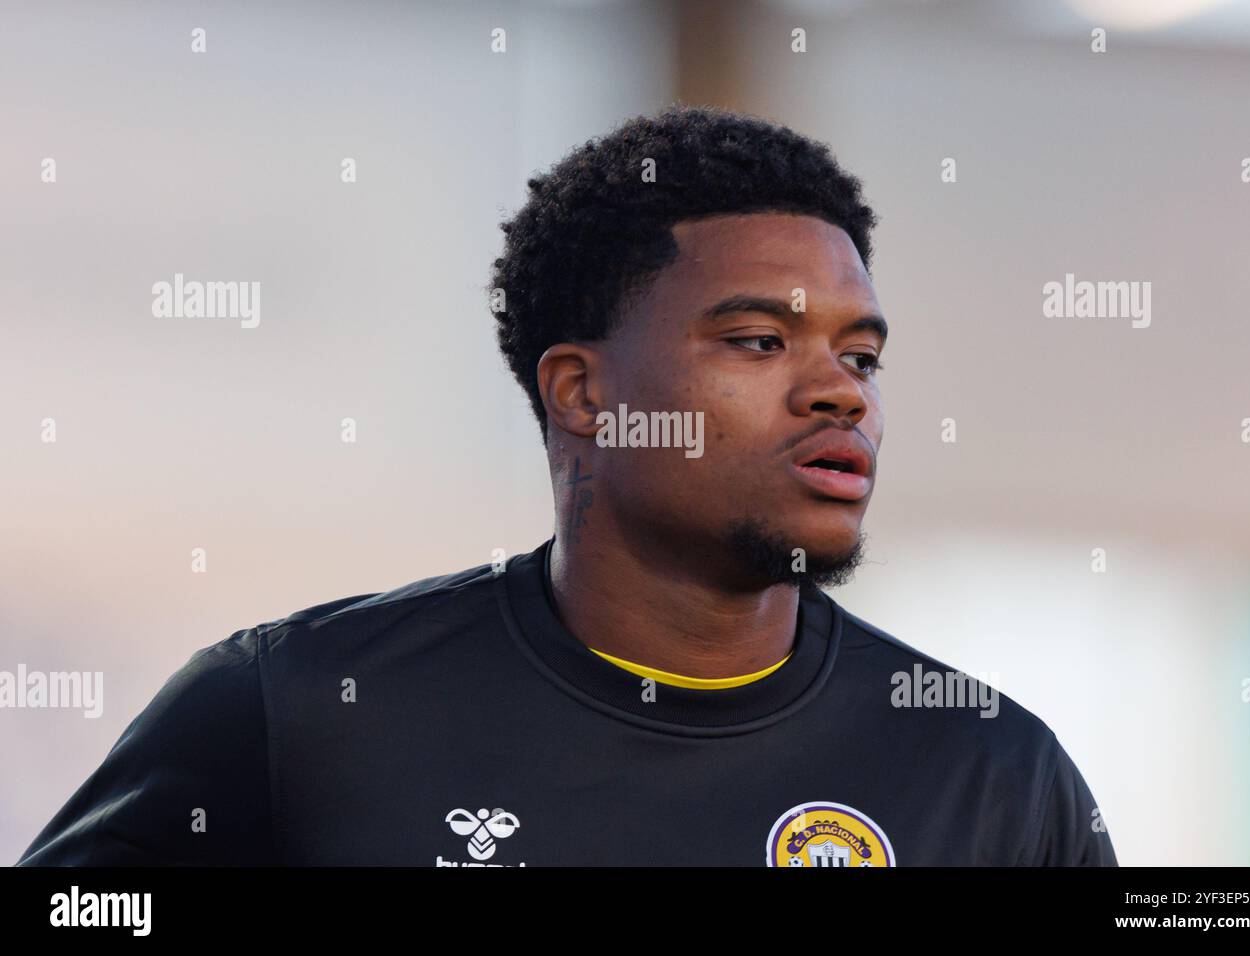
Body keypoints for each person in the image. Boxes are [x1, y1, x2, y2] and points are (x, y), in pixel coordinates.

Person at [17, 105, 1116, 866]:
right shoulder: (291, 708)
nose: (839, 393)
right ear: (583, 393)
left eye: (861, 356)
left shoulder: (990, 770)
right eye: (756, 340)